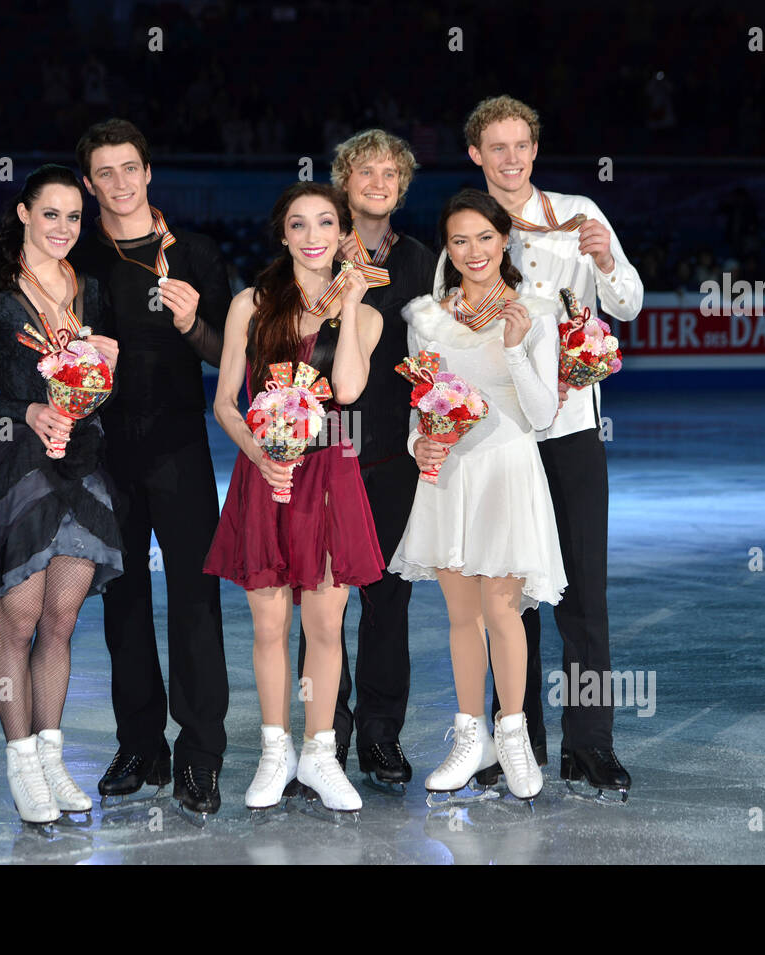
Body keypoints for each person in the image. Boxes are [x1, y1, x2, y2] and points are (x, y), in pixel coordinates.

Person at [463, 94, 642, 800]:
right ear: (475, 154)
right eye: (496, 148)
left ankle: (590, 745)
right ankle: (519, 742)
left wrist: (603, 262)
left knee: (584, 598)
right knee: (507, 601)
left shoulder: (580, 213)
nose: (511, 159)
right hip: (500, 438)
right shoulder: (469, 228)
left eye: (521, 146)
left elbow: (626, 302)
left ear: (535, 150)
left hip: (570, 430)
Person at [0, 163, 125, 824]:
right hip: (18, 467)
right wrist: (26, 411)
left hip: (81, 467)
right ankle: (20, 761)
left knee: (60, 620)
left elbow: (97, 390)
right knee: (17, 621)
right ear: (23, 214)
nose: (62, 227)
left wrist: (103, 369)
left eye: (74, 216)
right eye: (50, 213)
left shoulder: (93, 290)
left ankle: (53, 757)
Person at [204, 181, 386, 815]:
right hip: (264, 476)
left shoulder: (367, 312)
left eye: (325, 224)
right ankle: (275, 751)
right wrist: (262, 457)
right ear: (283, 235)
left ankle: (322, 751)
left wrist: (354, 304)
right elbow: (226, 402)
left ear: (343, 234)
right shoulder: (250, 304)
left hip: (330, 475)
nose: (313, 237)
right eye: (299, 225)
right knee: (269, 624)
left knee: (326, 625)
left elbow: (350, 391)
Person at [67, 119, 231, 818]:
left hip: (180, 445)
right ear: (87, 183)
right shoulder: (78, 263)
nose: (120, 182)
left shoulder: (194, 252)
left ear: (149, 170)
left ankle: (199, 754)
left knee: (196, 599)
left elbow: (230, 355)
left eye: (129, 167)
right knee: (121, 599)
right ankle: (140, 745)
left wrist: (193, 324)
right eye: (104, 173)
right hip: (103, 452)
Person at [391, 188, 566, 802]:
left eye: (485, 238)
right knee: (461, 616)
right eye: (459, 240)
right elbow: (422, 405)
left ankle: (512, 733)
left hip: (508, 470)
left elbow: (543, 414)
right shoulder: (426, 319)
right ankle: (472, 737)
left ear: (504, 241)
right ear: (447, 245)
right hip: (451, 476)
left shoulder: (535, 312)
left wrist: (516, 349)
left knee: (502, 610)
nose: (473, 251)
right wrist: (421, 446)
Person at [295, 129, 436, 791]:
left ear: (402, 187)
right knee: (320, 608)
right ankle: (323, 739)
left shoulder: (422, 261)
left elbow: (438, 357)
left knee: (387, 600)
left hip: (392, 455)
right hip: (322, 451)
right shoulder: (313, 247)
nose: (378, 182)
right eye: (365, 171)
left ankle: (380, 736)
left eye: (390, 174)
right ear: (343, 180)